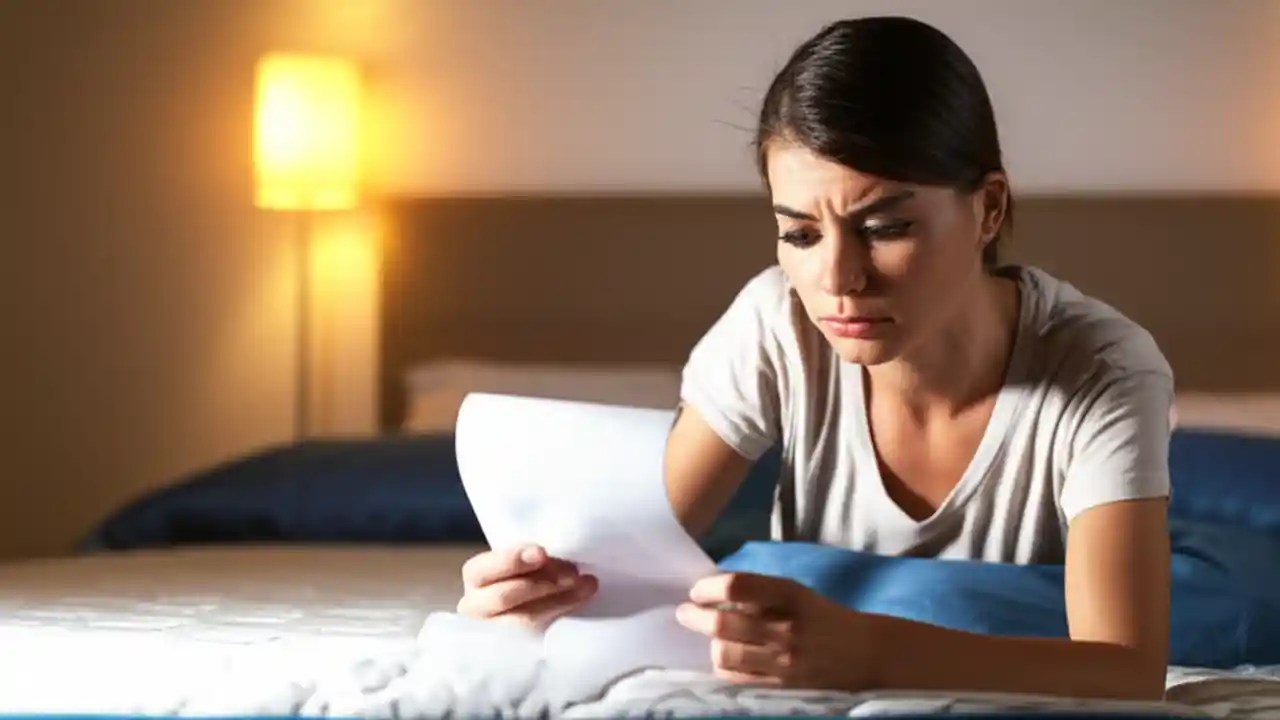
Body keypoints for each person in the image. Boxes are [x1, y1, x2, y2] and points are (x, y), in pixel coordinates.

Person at [455, 15, 1172, 702]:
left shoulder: (1102, 369)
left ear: (987, 209)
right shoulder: (779, 322)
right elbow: (623, 561)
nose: (838, 280)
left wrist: (868, 654)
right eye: (799, 234)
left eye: (885, 227)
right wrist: (533, 597)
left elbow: (1128, 671)